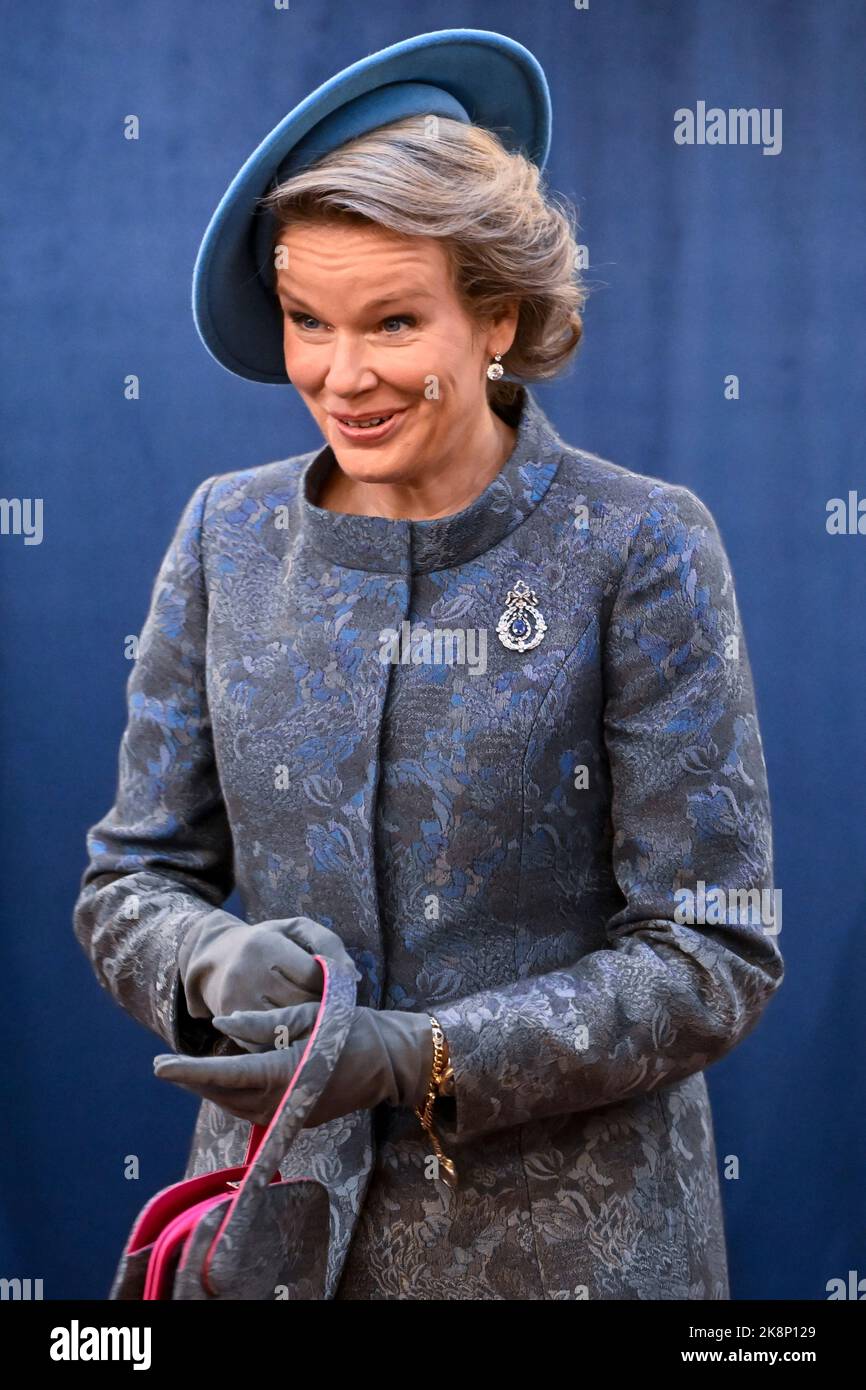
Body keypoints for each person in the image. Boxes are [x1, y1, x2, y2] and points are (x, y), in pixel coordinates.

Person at [73, 28, 784, 1300]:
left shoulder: (638, 545)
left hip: (574, 1260)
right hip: (270, 1245)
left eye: (393, 321)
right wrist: (197, 959)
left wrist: (419, 1057)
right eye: (306, 321)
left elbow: (712, 950)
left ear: (497, 315)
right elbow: (131, 878)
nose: (341, 377)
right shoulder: (224, 536)